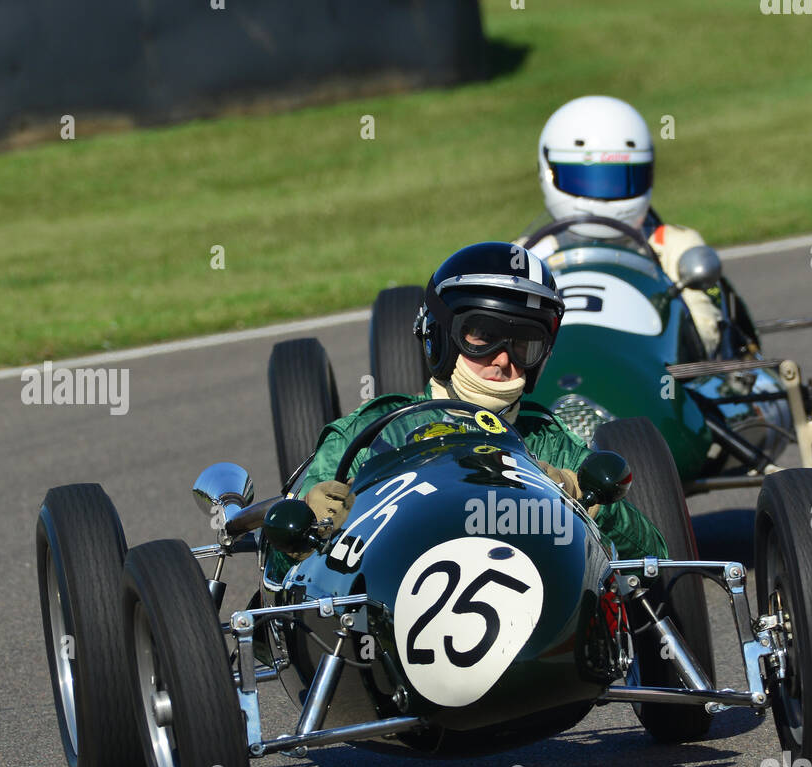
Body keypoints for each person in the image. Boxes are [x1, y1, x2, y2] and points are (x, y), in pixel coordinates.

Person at [295, 240, 668, 559]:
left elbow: (657, 560)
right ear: (439, 337)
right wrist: (307, 526)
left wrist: (588, 500)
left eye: (524, 343)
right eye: (482, 335)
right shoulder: (368, 433)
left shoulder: (551, 442)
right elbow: (284, 573)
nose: (503, 359)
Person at [524, 94, 729, 356]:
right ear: (549, 172)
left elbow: (705, 338)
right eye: (586, 179)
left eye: (620, 179)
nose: (604, 193)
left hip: (652, 376)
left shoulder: (674, 245)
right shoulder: (528, 254)